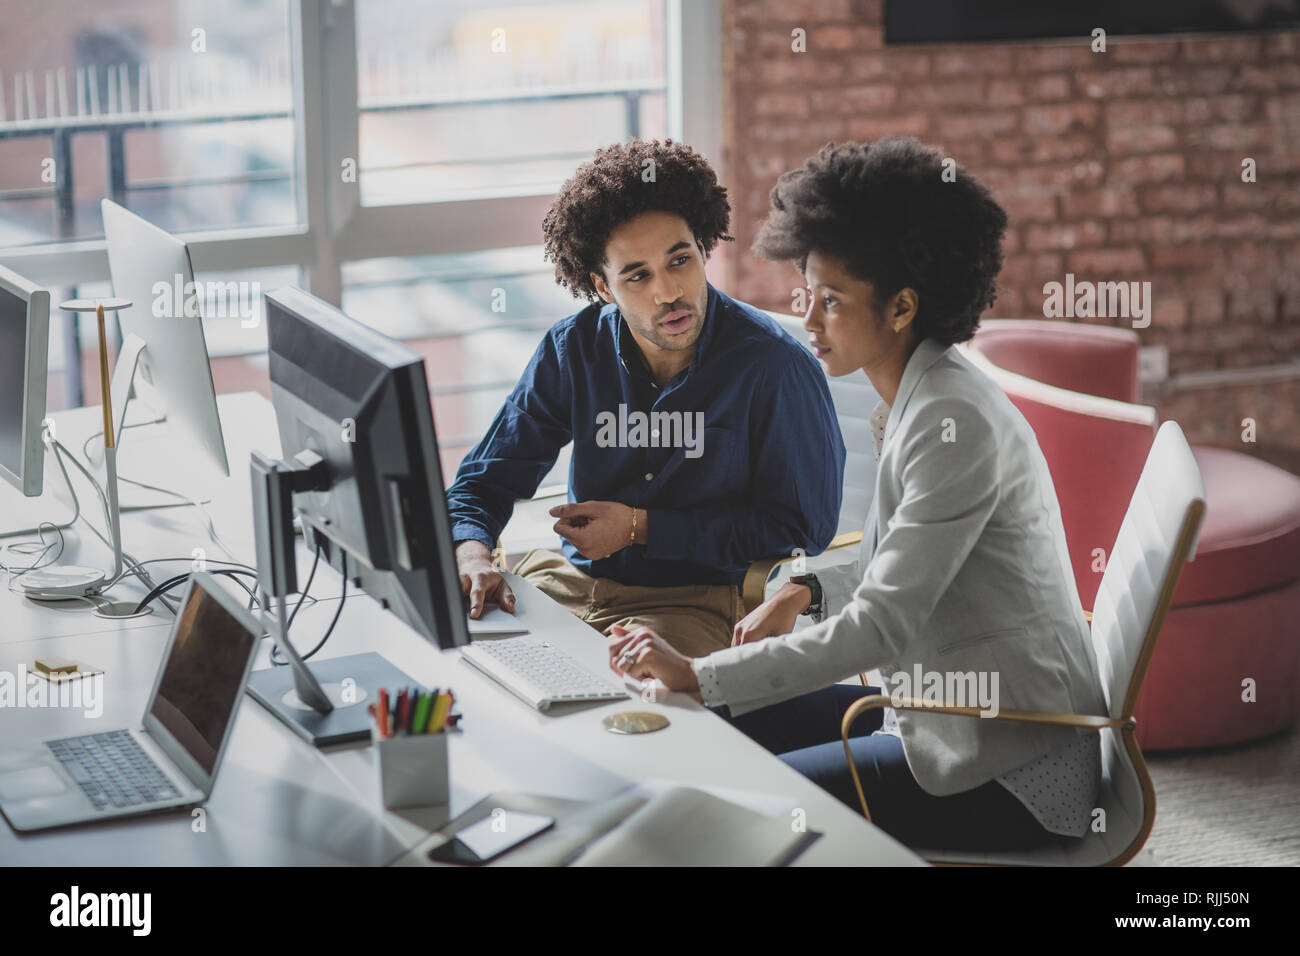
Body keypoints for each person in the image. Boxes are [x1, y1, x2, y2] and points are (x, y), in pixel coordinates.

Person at [608, 138, 1109, 852]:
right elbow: (904, 558)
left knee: (744, 802)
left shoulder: (951, 423)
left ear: (902, 306)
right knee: (713, 730)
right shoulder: (924, 396)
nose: (808, 317)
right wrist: (805, 590)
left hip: (1007, 765)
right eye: (807, 291)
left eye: (832, 300)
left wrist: (698, 670)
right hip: (938, 716)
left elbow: (882, 625)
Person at [448, 139, 844, 658]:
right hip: (565, 585)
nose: (668, 292)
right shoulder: (573, 349)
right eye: (637, 275)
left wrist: (641, 529)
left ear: (704, 249)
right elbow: (484, 480)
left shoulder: (773, 367)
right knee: (469, 665)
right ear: (603, 286)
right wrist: (472, 554)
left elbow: (803, 529)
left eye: (680, 260)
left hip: (695, 604)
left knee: (626, 717)